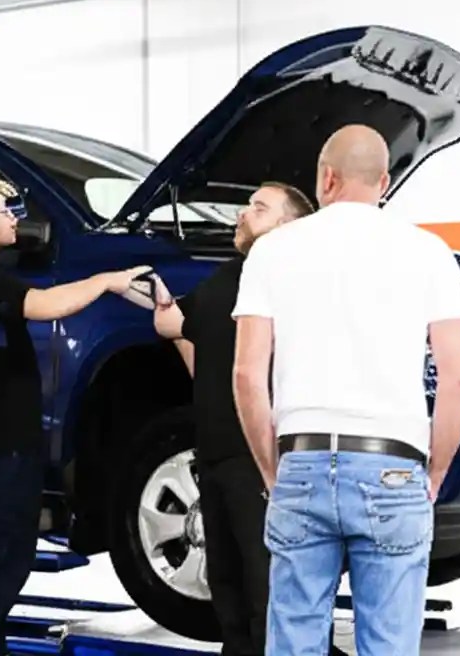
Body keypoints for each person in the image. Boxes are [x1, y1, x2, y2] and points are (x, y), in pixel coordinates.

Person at [230, 125, 460, 656]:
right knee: (388, 644)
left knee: (293, 639)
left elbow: (247, 375)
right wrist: (433, 473)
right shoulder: (429, 252)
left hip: (303, 458)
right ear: (384, 181)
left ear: (326, 178)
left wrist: (273, 470)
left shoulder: (271, 252)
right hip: (394, 465)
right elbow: (459, 379)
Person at [0, 176, 152, 656]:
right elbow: (45, 305)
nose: (14, 217)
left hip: (2, 443)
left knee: (6, 559)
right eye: (4, 211)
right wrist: (108, 281)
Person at [145, 182, 349, 656]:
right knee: (229, 590)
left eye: (259, 207)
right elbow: (172, 323)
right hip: (216, 456)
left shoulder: (299, 280)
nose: (243, 213)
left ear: (288, 225)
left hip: (264, 457)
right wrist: (159, 300)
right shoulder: (228, 277)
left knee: (268, 591)